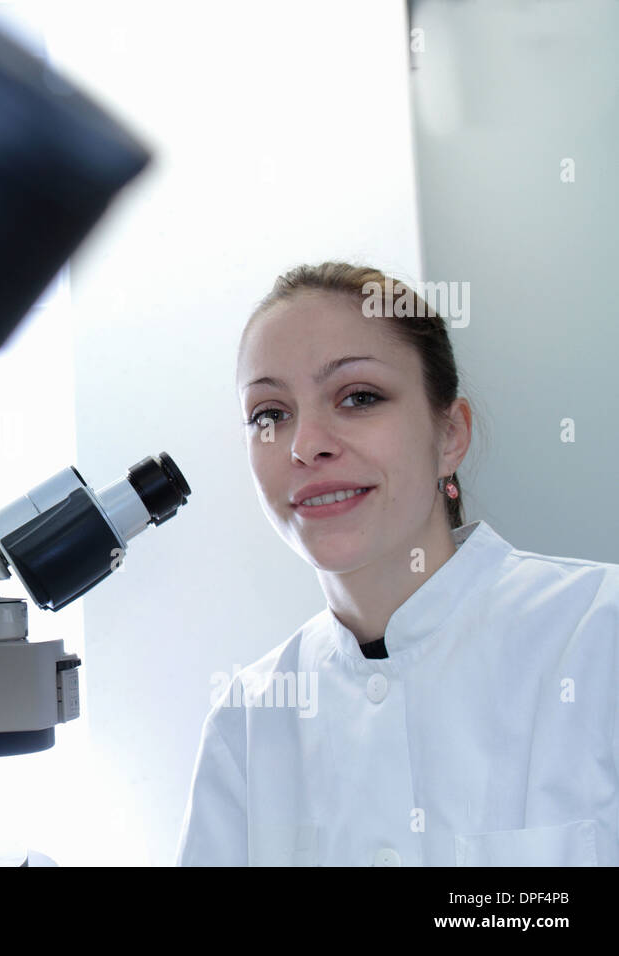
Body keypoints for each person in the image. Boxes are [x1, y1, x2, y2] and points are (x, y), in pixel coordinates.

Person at [176, 261, 619, 866]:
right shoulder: (246, 722)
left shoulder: (597, 634)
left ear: (450, 436)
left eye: (359, 398)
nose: (307, 445)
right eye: (270, 414)